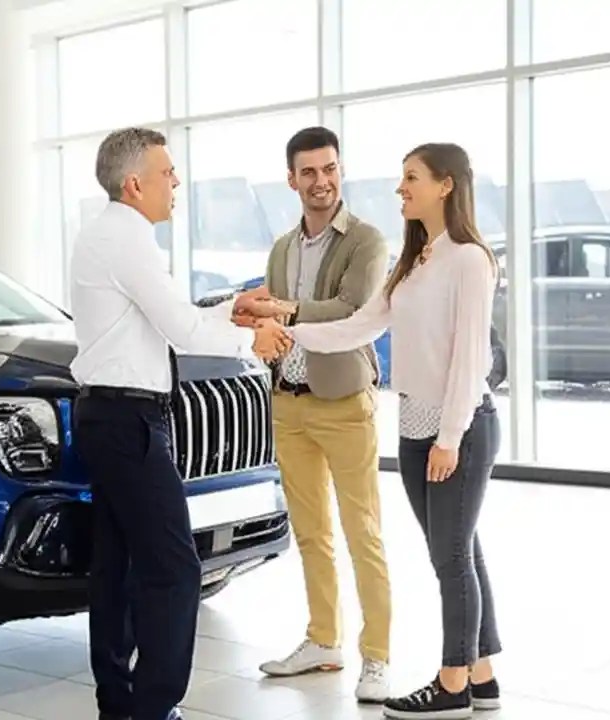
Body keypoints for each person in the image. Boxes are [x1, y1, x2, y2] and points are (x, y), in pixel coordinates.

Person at [69, 127, 290, 720]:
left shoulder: (111, 234)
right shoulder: (127, 237)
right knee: (174, 568)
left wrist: (232, 309)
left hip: (112, 415)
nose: (177, 183)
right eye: (168, 173)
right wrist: (252, 336)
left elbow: (160, 317)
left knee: (117, 569)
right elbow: (182, 330)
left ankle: (119, 704)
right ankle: (155, 708)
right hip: (127, 419)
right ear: (134, 182)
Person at [286, 142, 503, 720]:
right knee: (458, 550)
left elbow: (469, 360)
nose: (400, 188)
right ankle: (481, 675)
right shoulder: (416, 258)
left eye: (411, 178)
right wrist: (291, 331)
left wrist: (450, 438)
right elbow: (358, 326)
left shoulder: (469, 259)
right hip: (411, 426)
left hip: (458, 426)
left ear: (446, 185)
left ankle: (452, 682)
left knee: (451, 557)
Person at [231, 126, 393, 703]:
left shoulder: (367, 241)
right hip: (289, 402)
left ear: (340, 171)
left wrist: (284, 307)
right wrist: (257, 321)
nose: (320, 181)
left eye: (329, 169)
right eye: (309, 172)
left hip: (345, 401)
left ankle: (377, 658)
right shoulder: (282, 247)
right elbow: (277, 324)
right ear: (292, 179)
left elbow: (351, 308)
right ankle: (324, 640)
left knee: (362, 532)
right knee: (311, 533)